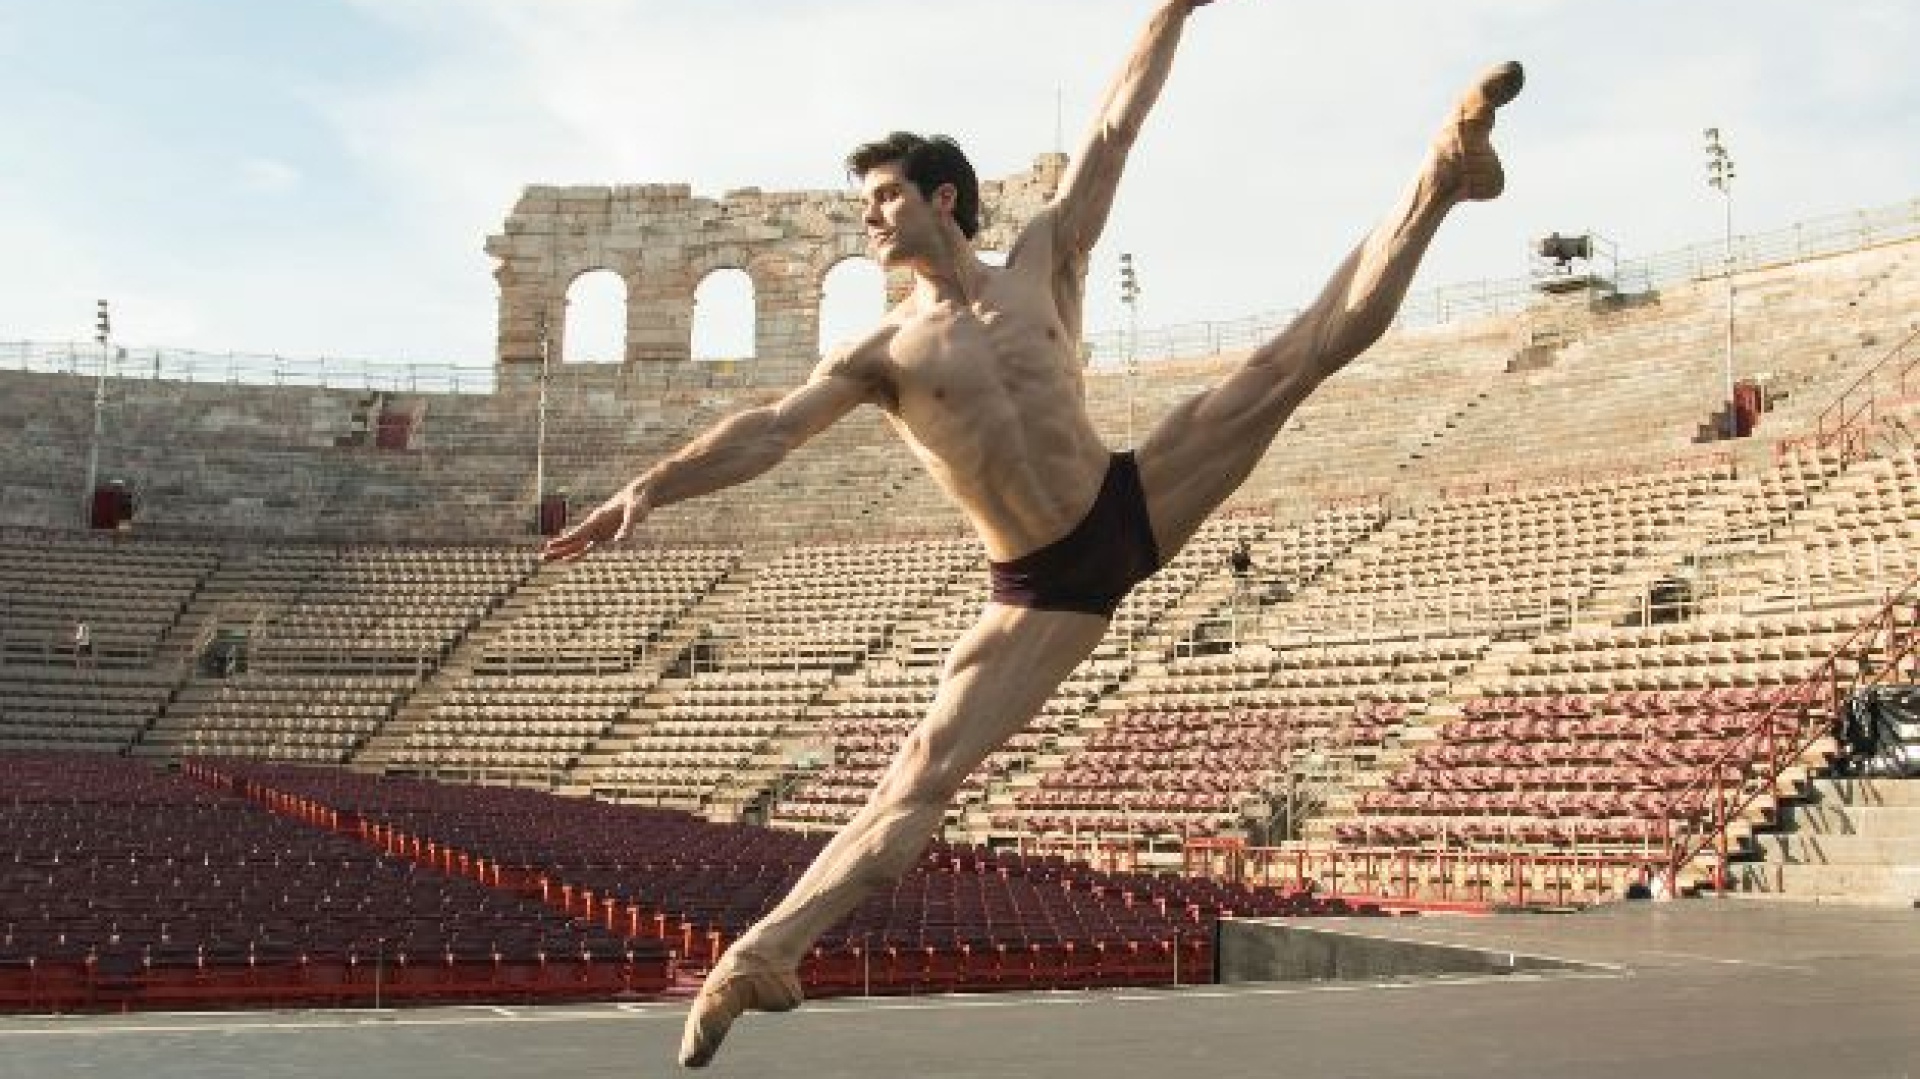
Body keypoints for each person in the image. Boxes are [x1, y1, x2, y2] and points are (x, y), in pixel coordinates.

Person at [541, 0, 1523, 1065]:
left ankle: (1442, 175)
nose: (870, 219)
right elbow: (770, 431)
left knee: (1294, 359)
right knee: (919, 776)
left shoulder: (1046, 258)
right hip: (1041, 586)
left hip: (1125, 501)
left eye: (884, 197)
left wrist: (1172, 11)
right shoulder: (883, 353)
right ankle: (763, 954)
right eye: (864, 205)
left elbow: (1115, 128)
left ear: (941, 198)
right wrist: (653, 485)